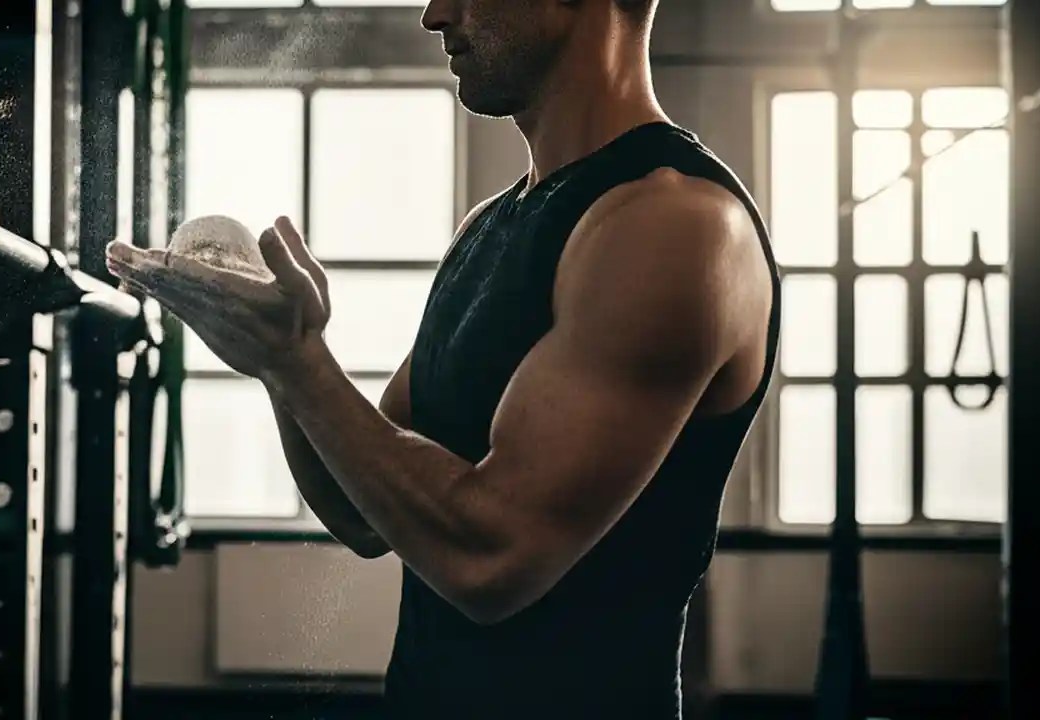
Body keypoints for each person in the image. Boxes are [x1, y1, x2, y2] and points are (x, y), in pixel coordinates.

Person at [107, 0, 779, 716]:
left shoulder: (674, 225)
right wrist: (280, 366)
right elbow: (364, 512)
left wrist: (300, 364)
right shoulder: (487, 228)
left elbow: (489, 558)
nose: (434, 14)